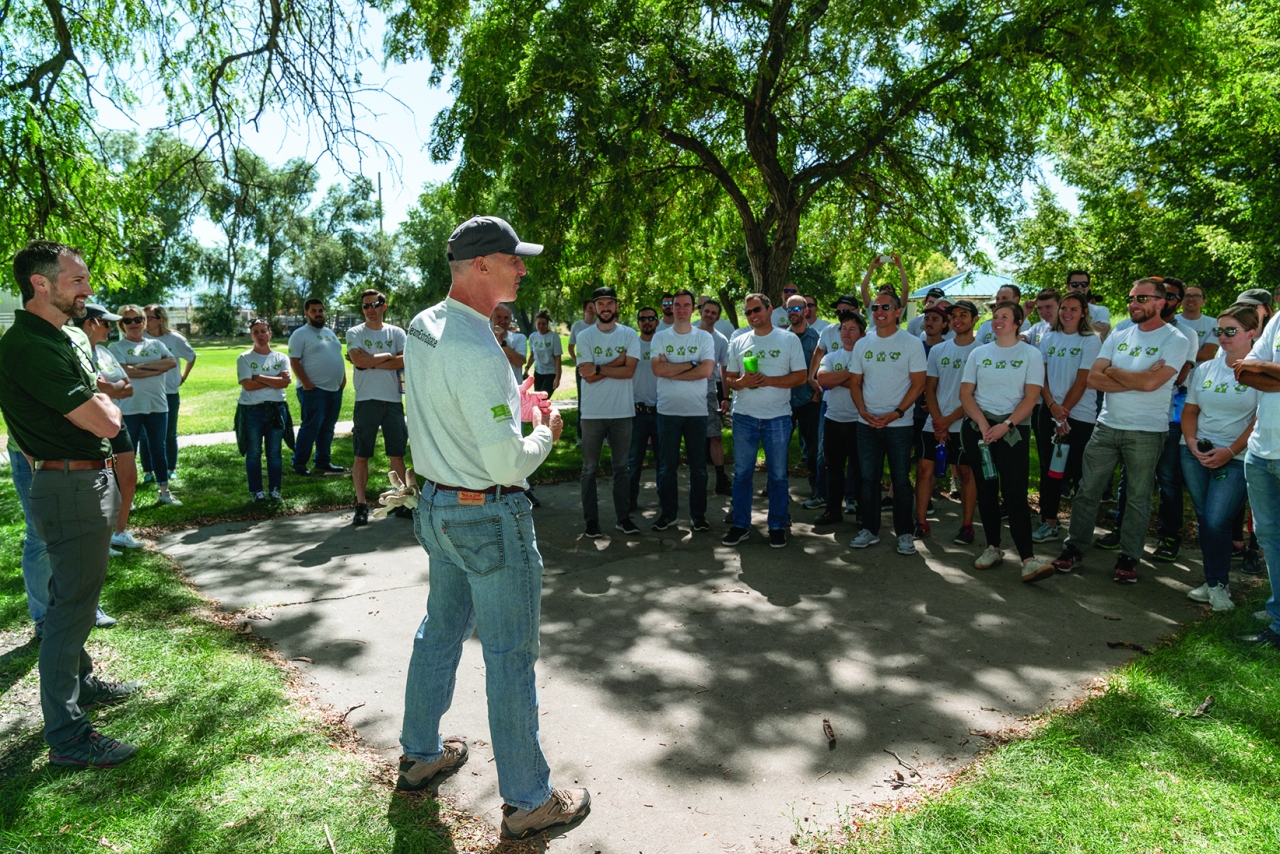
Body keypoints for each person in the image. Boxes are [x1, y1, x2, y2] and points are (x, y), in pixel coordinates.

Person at [395, 216, 588, 840]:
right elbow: (508, 460)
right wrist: (544, 432)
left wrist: (511, 415)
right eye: (513, 259)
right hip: (487, 514)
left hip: (438, 506)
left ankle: (420, 755)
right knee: (510, 656)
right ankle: (529, 799)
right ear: (481, 265)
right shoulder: (476, 346)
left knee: (440, 630)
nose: (523, 268)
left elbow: (458, 413)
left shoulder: (425, 326)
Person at [1, 240, 139, 768]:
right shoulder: (30, 346)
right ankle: (68, 735)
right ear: (41, 283)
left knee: (71, 596)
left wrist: (100, 400)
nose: (87, 290)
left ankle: (80, 684)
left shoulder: (60, 338)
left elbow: (100, 399)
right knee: (70, 611)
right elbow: (105, 418)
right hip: (69, 485)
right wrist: (104, 403)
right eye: (77, 280)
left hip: (82, 481)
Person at [1053, 278, 1190, 583]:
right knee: (1087, 491)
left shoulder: (1176, 340)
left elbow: (1152, 384)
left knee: (1138, 498)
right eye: (1131, 298)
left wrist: (1116, 372)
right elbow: (1094, 380)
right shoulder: (1119, 333)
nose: (1134, 304)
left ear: (1161, 302)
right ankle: (1074, 548)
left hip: (1146, 431)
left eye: (1142, 298)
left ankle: (1129, 557)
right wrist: (1133, 376)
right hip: (1106, 427)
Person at [1099, 276, 1197, 560]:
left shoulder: (1184, 335)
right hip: (1124, 417)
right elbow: (1103, 375)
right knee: (1128, 481)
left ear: (1168, 301)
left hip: (1165, 417)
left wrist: (1116, 372)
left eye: (1174, 296)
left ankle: (1169, 535)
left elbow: (1176, 377)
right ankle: (1122, 530)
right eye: (1135, 298)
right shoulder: (1126, 330)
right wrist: (1142, 377)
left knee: (1166, 478)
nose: (1170, 299)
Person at [958, 302, 1055, 581]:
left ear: (1018, 322)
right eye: (995, 316)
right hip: (979, 428)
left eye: (1004, 317)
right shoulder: (979, 353)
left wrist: (1006, 425)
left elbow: (1031, 397)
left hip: (1013, 432)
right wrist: (984, 424)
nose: (998, 321)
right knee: (986, 491)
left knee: (1014, 494)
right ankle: (993, 548)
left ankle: (1028, 559)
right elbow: (966, 394)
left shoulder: (1030, 354)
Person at [1180, 306, 1259, 611]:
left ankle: (1218, 586)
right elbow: (1190, 411)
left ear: (1251, 333)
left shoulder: (1258, 370)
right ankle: (1214, 582)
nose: (1223, 337)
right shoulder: (1205, 369)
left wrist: (1230, 451)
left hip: (1236, 456)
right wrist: (1191, 442)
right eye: (1219, 331)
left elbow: (1258, 420)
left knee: (1216, 520)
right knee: (1206, 521)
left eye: (1231, 331)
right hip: (1196, 452)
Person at [722, 293, 807, 548]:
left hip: (777, 418)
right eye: (748, 312)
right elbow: (730, 378)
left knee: (779, 476)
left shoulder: (788, 339)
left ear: (770, 309)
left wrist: (768, 381)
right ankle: (740, 524)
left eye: (756, 310)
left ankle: (778, 525)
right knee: (742, 475)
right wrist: (741, 383)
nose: (752, 316)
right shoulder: (739, 341)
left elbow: (801, 377)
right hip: (744, 416)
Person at [846, 291, 927, 555]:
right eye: (875, 307)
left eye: (885, 307)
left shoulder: (911, 343)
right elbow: (855, 382)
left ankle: (905, 533)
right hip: (866, 424)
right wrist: (863, 411)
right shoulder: (862, 344)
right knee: (868, 480)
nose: (879, 311)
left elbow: (918, 384)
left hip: (899, 426)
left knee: (901, 481)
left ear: (897, 311)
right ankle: (869, 530)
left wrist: (897, 413)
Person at [1032, 292, 1102, 542]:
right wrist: (1051, 406)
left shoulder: (1090, 341)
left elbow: (1083, 380)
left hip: (1079, 415)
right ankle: (1048, 521)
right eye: (1064, 308)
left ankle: (1079, 530)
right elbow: (1042, 375)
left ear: (1084, 312)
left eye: (1073, 309)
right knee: (1049, 469)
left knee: (1077, 471)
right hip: (1048, 412)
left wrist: (1063, 414)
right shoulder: (1048, 338)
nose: (1067, 313)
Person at [75, 305, 142, 554]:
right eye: (106, 323)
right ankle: (98, 539)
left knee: (129, 475)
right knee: (99, 482)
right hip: (90, 422)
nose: (111, 328)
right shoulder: (74, 352)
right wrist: (113, 389)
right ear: (90, 324)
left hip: (115, 418)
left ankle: (120, 532)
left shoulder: (103, 352)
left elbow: (127, 387)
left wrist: (109, 389)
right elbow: (98, 390)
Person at [575, 286, 640, 537]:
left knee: (621, 468)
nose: (605, 308)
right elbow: (587, 377)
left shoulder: (629, 334)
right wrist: (616, 362)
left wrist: (599, 368)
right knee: (589, 469)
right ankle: (591, 521)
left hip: (622, 412)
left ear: (616, 306)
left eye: (609, 303)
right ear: (594, 307)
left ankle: (623, 518)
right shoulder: (585, 336)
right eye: (600, 304)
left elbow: (629, 372)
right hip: (592, 413)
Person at [651, 289, 716, 532]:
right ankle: (668, 514)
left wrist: (672, 366)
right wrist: (691, 363)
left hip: (696, 412)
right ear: (671, 307)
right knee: (667, 466)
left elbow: (706, 371)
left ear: (693, 309)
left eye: (686, 305)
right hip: (667, 411)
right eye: (676, 305)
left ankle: (698, 516)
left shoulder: (703, 338)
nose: (680, 309)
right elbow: (658, 370)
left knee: (698, 467)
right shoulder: (661, 337)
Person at [344, 289, 409, 525]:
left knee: (397, 455)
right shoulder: (355, 332)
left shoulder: (397, 332)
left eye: (374, 304)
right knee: (361, 456)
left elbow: (405, 360)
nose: (370, 309)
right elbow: (359, 362)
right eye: (365, 306)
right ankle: (361, 505)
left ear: (384, 306)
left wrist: (371, 360)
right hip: (366, 401)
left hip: (392, 401)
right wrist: (387, 357)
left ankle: (402, 502)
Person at [109, 305, 181, 506]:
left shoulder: (156, 345)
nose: (133, 324)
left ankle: (164, 491)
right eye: (127, 321)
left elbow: (171, 363)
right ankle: (126, 497)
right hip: (130, 406)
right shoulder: (117, 347)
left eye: (137, 320)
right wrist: (153, 368)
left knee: (159, 448)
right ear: (121, 325)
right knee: (127, 452)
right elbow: (125, 372)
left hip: (158, 405)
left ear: (144, 321)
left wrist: (138, 367)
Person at [924, 300, 981, 544]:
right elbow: (929, 389)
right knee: (925, 472)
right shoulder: (938, 350)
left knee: (967, 474)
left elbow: (977, 394)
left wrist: (948, 420)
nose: (958, 319)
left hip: (965, 424)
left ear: (975, 319)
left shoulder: (983, 351)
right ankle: (920, 523)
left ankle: (967, 526)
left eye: (964, 315)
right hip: (935, 423)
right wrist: (939, 421)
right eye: (954, 315)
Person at [807, 294, 862, 514]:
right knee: (831, 464)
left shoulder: (866, 354)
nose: (846, 332)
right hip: (832, 417)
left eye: (852, 328)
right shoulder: (831, 356)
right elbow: (824, 380)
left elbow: (866, 384)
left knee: (857, 466)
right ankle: (831, 508)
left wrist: (839, 379)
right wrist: (852, 376)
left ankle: (854, 502)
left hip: (859, 419)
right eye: (843, 328)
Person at [139, 304, 196, 483]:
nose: (145, 321)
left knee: (169, 432)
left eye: (149, 317)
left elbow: (191, 356)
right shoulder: (140, 338)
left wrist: (183, 377)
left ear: (160, 320)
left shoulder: (175, 339)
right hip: (146, 391)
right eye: (144, 317)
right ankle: (148, 471)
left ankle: (171, 468)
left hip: (169, 392)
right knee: (145, 433)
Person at [289, 298, 347, 476]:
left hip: (334, 389)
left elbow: (336, 355)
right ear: (306, 313)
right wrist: (306, 383)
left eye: (320, 310)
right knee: (311, 426)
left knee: (328, 427)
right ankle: (299, 463)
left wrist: (343, 378)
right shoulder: (300, 334)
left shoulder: (330, 332)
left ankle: (323, 461)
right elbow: (294, 360)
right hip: (313, 390)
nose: (318, 314)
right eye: (313, 311)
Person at [237, 319, 292, 500]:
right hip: (251, 410)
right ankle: (257, 491)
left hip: (276, 409)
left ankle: (274, 490)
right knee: (253, 452)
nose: (260, 335)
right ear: (251, 335)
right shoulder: (244, 358)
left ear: (270, 333)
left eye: (263, 331)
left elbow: (285, 383)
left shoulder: (281, 358)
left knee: (274, 452)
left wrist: (258, 376)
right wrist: (273, 379)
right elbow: (248, 385)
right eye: (255, 332)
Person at [912, 304, 951, 538]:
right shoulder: (916, 346)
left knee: (935, 459)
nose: (929, 322)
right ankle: (903, 501)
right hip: (913, 409)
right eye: (927, 318)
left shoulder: (948, 349)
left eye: (935, 319)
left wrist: (931, 402)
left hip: (938, 413)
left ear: (944, 324)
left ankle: (927, 502)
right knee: (915, 458)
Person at [784, 294, 822, 496]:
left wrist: (818, 392)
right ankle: (777, 486)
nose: (792, 313)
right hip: (785, 402)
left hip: (810, 401)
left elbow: (821, 369)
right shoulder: (780, 338)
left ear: (806, 310)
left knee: (814, 448)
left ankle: (817, 487)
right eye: (789, 309)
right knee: (780, 447)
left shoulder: (817, 338)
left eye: (796, 309)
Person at [697, 299, 733, 495]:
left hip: (709, 392)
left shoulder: (720, 339)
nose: (709, 315)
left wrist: (725, 397)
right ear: (701, 311)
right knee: (691, 437)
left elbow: (724, 370)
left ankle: (720, 477)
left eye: (713, 313)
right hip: (687, 392)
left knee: (715, 435)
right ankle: (696, 478)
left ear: (718, 317)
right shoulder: (689, 332)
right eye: (707, 311)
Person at [628, 307, 661, 511]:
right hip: (637, 411)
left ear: (657, 322)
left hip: (661, 411)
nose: (646, 321)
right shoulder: (632, 344)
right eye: (642, 318)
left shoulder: (663, 343)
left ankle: (666, 502)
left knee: (663, 461)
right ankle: (629, 502)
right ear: (638, 322)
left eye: (650, 318)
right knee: (633, 461)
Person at [567, 298, 597, 445]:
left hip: (598, 368)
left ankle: (602, 437)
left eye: (594, 308)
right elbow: (570, 346)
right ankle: (581, 436)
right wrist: (577, 361)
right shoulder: (577, 326)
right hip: (582, 369)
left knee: (600, 400)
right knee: (583, 401)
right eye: (590, 308)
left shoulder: (600, 326)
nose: (593, 311)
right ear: (584, 310)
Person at [526, 309, 563, 395]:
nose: (541, 326)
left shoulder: (554, 337)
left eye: (543, 324)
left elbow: (558, 359)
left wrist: (557, 377)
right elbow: (532, 355)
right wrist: (527, 368)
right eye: (538, 324)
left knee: (543, 397)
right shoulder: (533, 337)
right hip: (538, 372)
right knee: (538, 398)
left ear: (547, 324)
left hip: (551, 372)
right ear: (535, 324)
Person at [1066, 270, 1112, 337]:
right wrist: (1090, 328)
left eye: (1084, 284)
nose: (1079, 287)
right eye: (1075, 284)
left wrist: (1069, 330)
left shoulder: (1100, 310)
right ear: (1067, 287)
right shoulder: (1060, 311)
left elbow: (1100, 333)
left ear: (1088, 286)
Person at [1179, 285, 1218, 362]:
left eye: (1196, 296)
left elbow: (1206, 355)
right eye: (1187, 296)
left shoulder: (1214, 323)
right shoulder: (1171, 322)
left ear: (1203, 301)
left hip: (1202, 373)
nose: (1191, 299)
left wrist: (1173, 354)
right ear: (1181, 300)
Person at [492, 303, 528, 380]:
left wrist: (500, 341)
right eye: (498, 317)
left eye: (506, 318)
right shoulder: (485, 338)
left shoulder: (519, 338)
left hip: (514, 390)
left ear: (510, 319)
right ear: (491, 318)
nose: (502, 321)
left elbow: (519, 362)